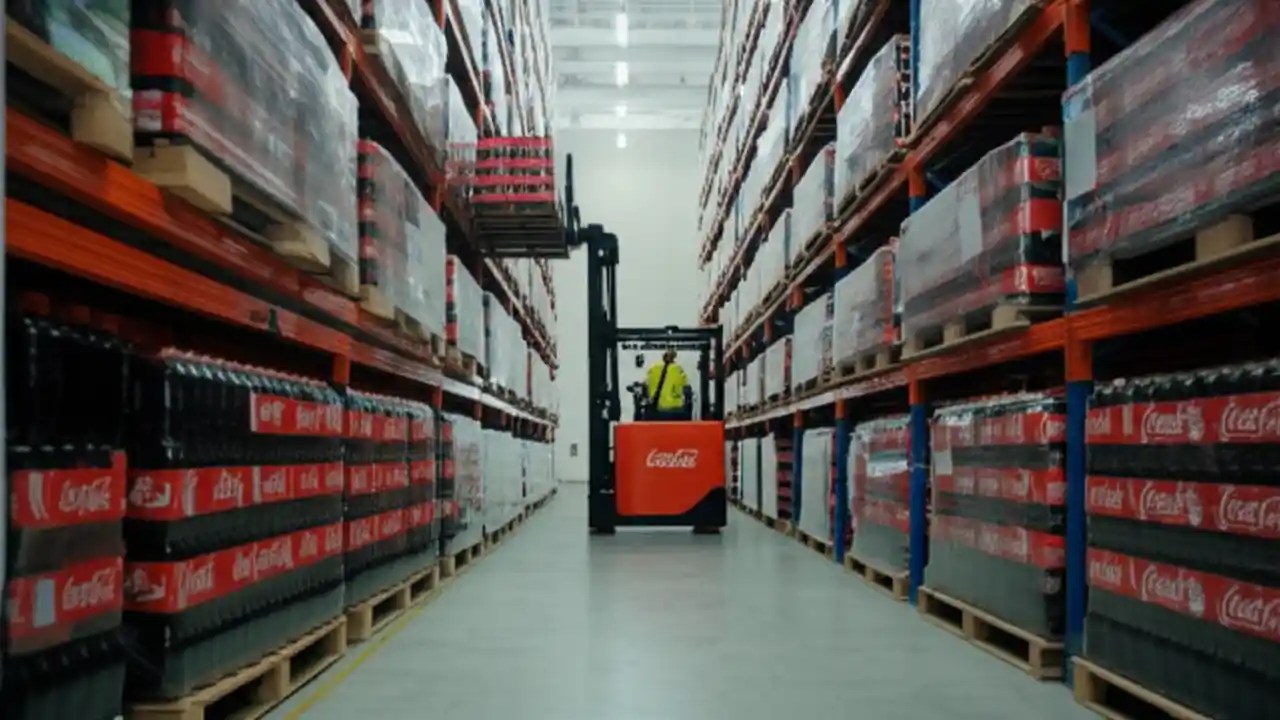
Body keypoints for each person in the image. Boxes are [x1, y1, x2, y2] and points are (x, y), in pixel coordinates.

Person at [644, 349, 690, 420]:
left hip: (654, 409)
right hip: (673, 410)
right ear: (674, 357)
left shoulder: (653, 368)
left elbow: (646, 385)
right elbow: (679, 390)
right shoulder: (678, 369)